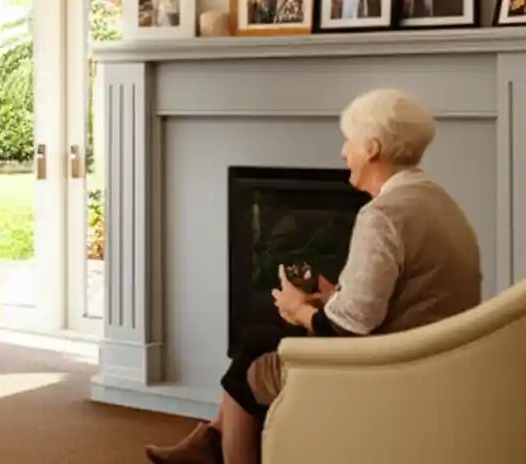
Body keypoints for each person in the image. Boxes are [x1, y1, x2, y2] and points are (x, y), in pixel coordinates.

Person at [145, 88, 482, 464]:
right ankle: (208, 442)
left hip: (387, 367)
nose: (343, 152)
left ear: (371, 148)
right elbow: (405, 295)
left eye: (348, 141)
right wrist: (332, 296)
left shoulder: (383, 215)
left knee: (251, 372)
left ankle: (214, 447)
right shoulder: (437, 200)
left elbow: (349, 330)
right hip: (431, 360)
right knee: (255, 337)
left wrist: (298, 308)